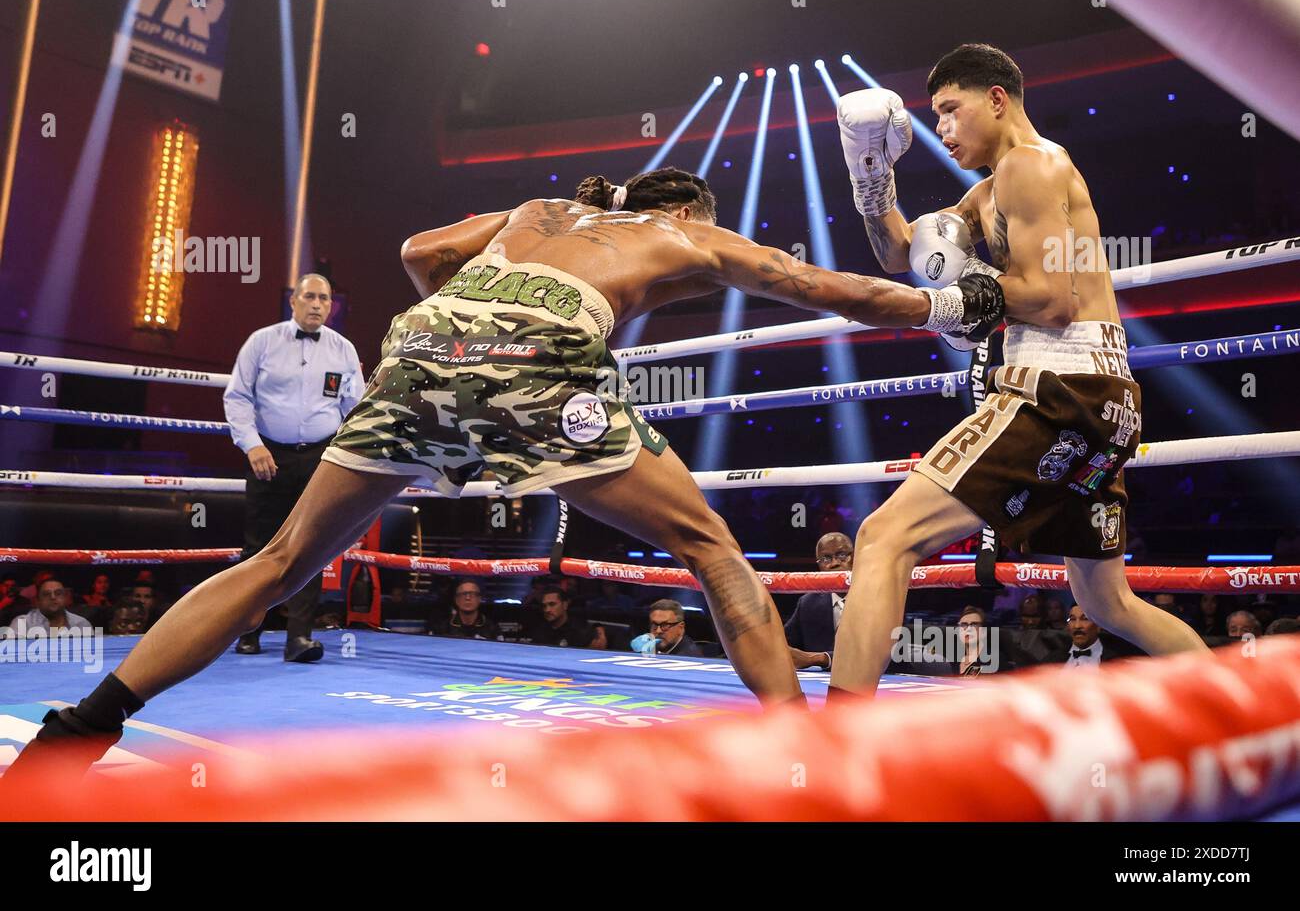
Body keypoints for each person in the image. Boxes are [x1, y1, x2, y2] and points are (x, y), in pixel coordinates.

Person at [6, 166, 1005, 778]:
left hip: (424, 339)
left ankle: (79, 729)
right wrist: (953, 309)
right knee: (710, 546)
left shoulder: (541, 205)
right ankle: (811, 764)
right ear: (689, 208)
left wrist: (457, 372)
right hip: (541, 363)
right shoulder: (689, 228)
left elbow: (418, 247)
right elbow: (815, 284)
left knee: (276, 560)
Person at [828, 43, 1209, 697]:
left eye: (950, 110)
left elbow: (1052, 299)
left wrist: (951, 301)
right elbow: (902, 250)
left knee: (883, 538)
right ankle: (1234, 708)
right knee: (1106, 603)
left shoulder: (1029, 167)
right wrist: (871, 177)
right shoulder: (990, 189)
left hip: (1057, 388)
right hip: (1105, 401)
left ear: (997, 99)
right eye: (935, 116)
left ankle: (833, 747)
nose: (940, 128)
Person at [223, 272, 364, 662]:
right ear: (294, 301)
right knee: (258, 546)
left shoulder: (343, 349)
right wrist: (252, 445)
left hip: (322, 456)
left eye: (324, 298)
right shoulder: (262, 342)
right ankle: (248, 631)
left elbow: (354, 408)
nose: (318, 304)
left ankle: (298, 638)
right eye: (310, 297)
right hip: (268, 455)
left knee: (311, 544)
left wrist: (345, 455)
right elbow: (237, 397)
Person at [785, 531, 852, 670]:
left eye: (842, 555)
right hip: (817, 687)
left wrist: (820, 659)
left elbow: (884, 652)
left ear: (855, 557)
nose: (834, 563)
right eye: (826, 559)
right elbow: (783, 645)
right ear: (819, 565)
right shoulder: (808, 603)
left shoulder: (877, 598)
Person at [3, 578, 92, 637]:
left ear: (65, 598)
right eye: (46, 594)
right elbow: (12, 660)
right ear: (37, 601)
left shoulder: (82, 624)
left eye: (58, 593)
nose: (53, 597)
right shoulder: (23, 623)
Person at [429, 580, 502, 641]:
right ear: (456, 600)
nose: (468, 598)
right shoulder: (441, 629)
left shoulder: (492, 628)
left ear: (479, 599)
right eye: (463, 594)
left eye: (472, 594)